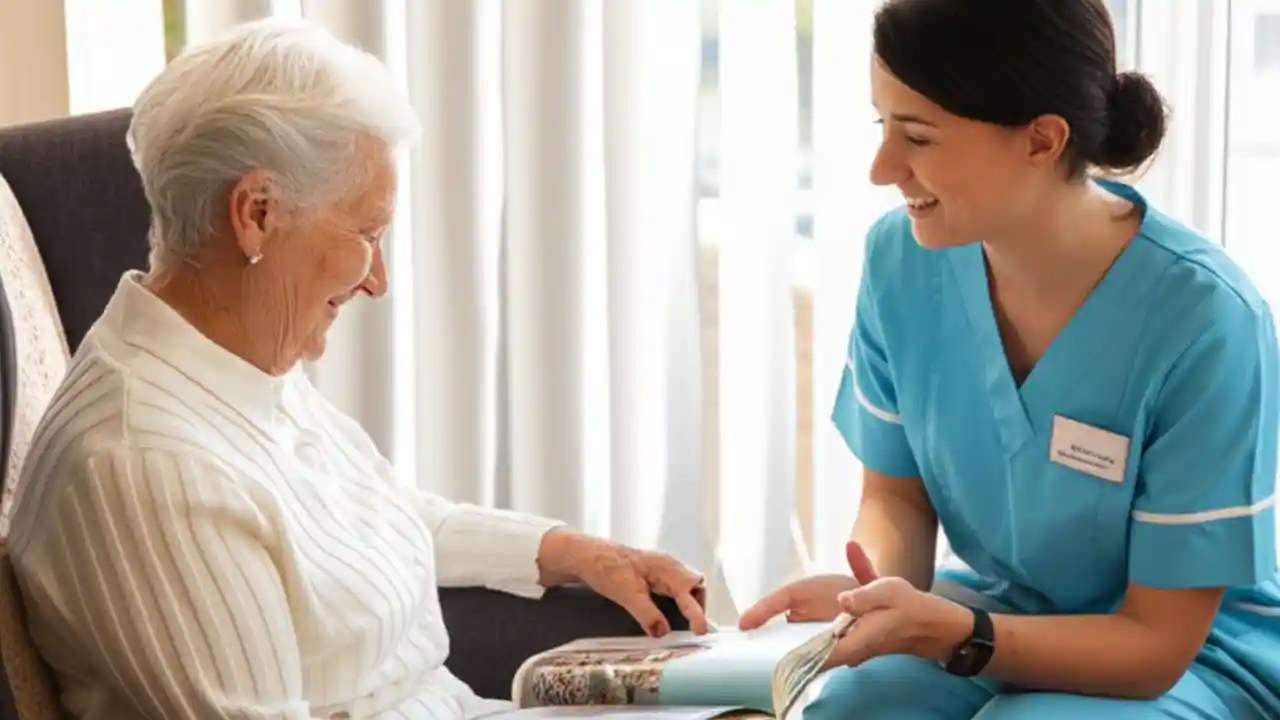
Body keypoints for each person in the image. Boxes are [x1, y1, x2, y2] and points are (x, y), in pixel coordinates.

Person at [6, 19, 709, 720]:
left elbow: (357, 527)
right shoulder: (150, 467)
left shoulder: (231, 365)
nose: (378, 280)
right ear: (256, 212)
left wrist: (572, 551)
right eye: (366, 234)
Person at [741, 1, 1279, 718]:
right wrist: (876, 595)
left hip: (1185, 658)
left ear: (1042, 141)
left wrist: (961, 633)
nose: (881, 169)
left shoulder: (1207, 321)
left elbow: (1154, 647)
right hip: (992, 612)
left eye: (919, 138)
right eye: (882, 125)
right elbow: (896, 495)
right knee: (851, 708)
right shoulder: (900, 260)